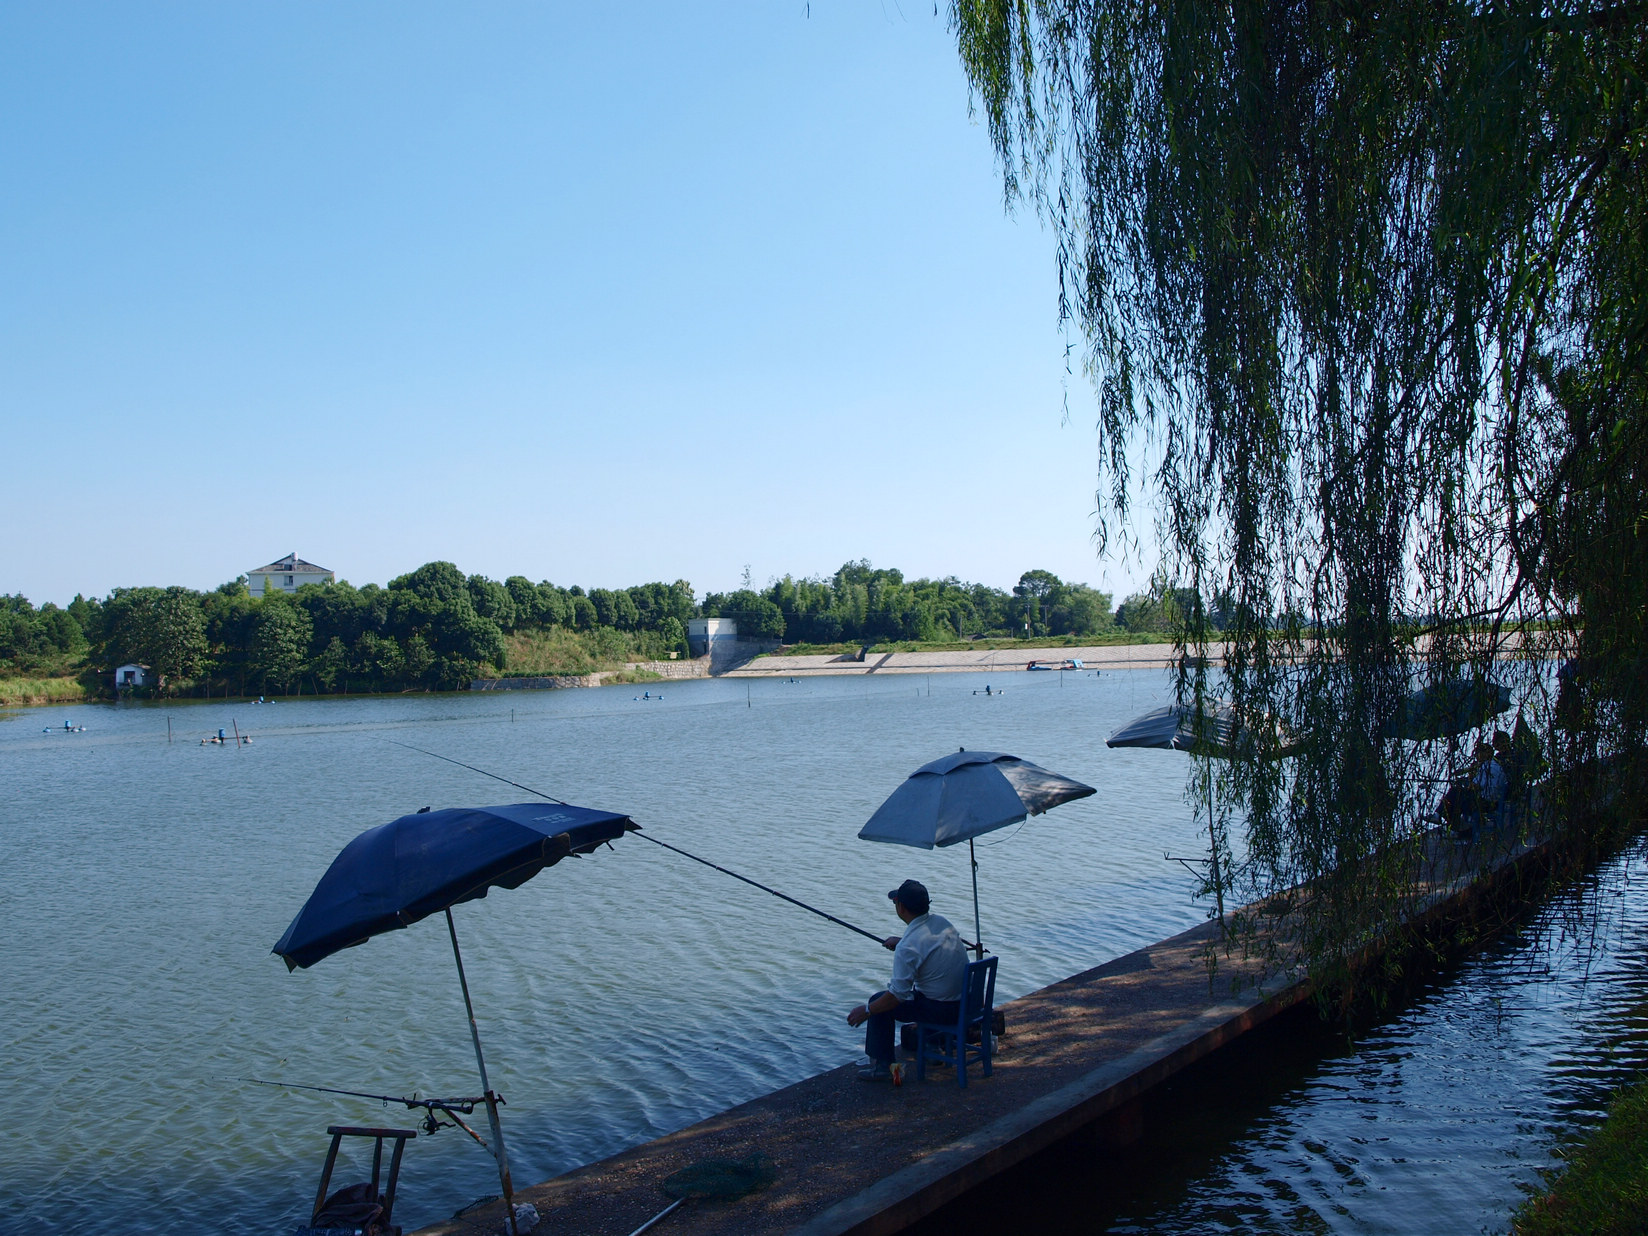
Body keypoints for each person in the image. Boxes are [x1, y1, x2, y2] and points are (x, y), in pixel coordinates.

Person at [846, 879, 969, 1083]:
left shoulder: (908, 947)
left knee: (879, 1002)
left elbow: (896, 996)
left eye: (895, 902)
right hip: (964, 1004)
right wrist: (902, 941)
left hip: (944, 1011)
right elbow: (928, 946)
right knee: (924, 988)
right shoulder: (941, 922)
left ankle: (883, 1067)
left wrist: (867, 1011)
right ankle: (933, 1044)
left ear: (900, 907)